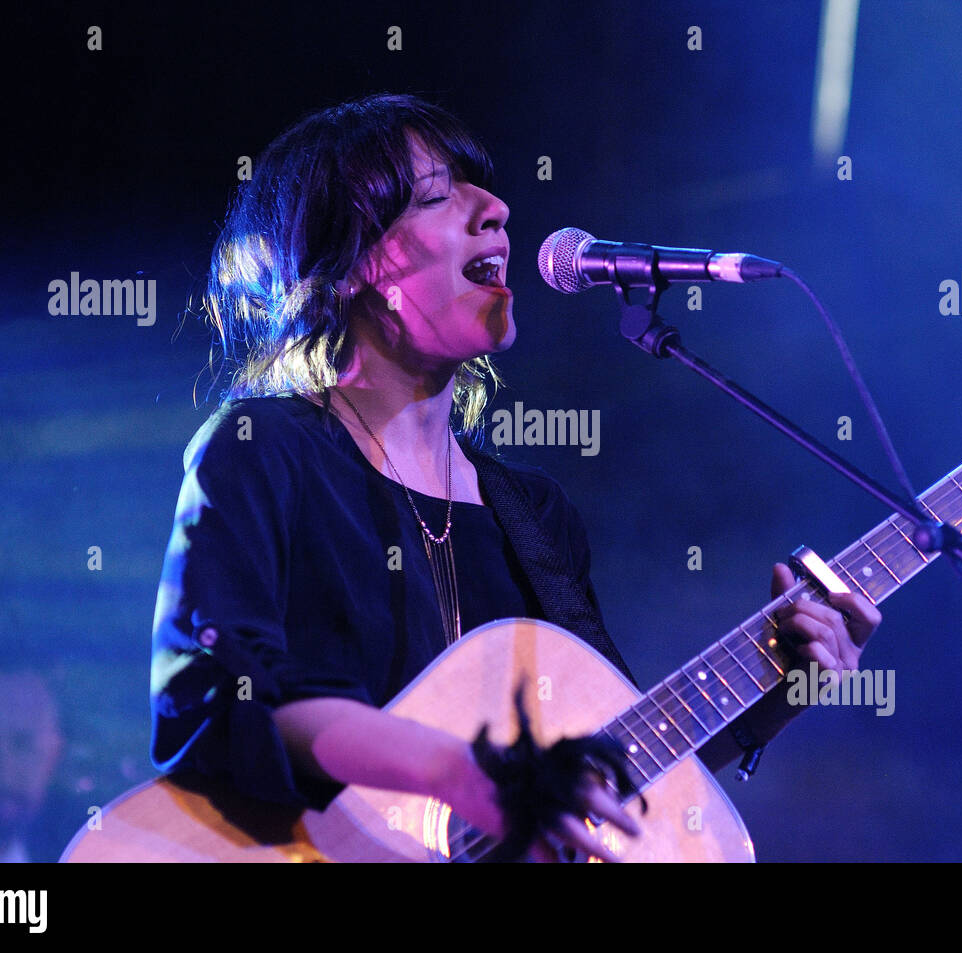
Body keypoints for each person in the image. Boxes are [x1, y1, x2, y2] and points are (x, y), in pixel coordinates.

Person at [150, 93, 881, 862]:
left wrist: (778, 688)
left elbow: (606, 767)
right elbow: (211, 698)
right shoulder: (263, 448)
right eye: (436, 196)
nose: (496, 208)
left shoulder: (532, 512)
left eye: (483, 188)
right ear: (349, 263)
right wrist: (456, 774)